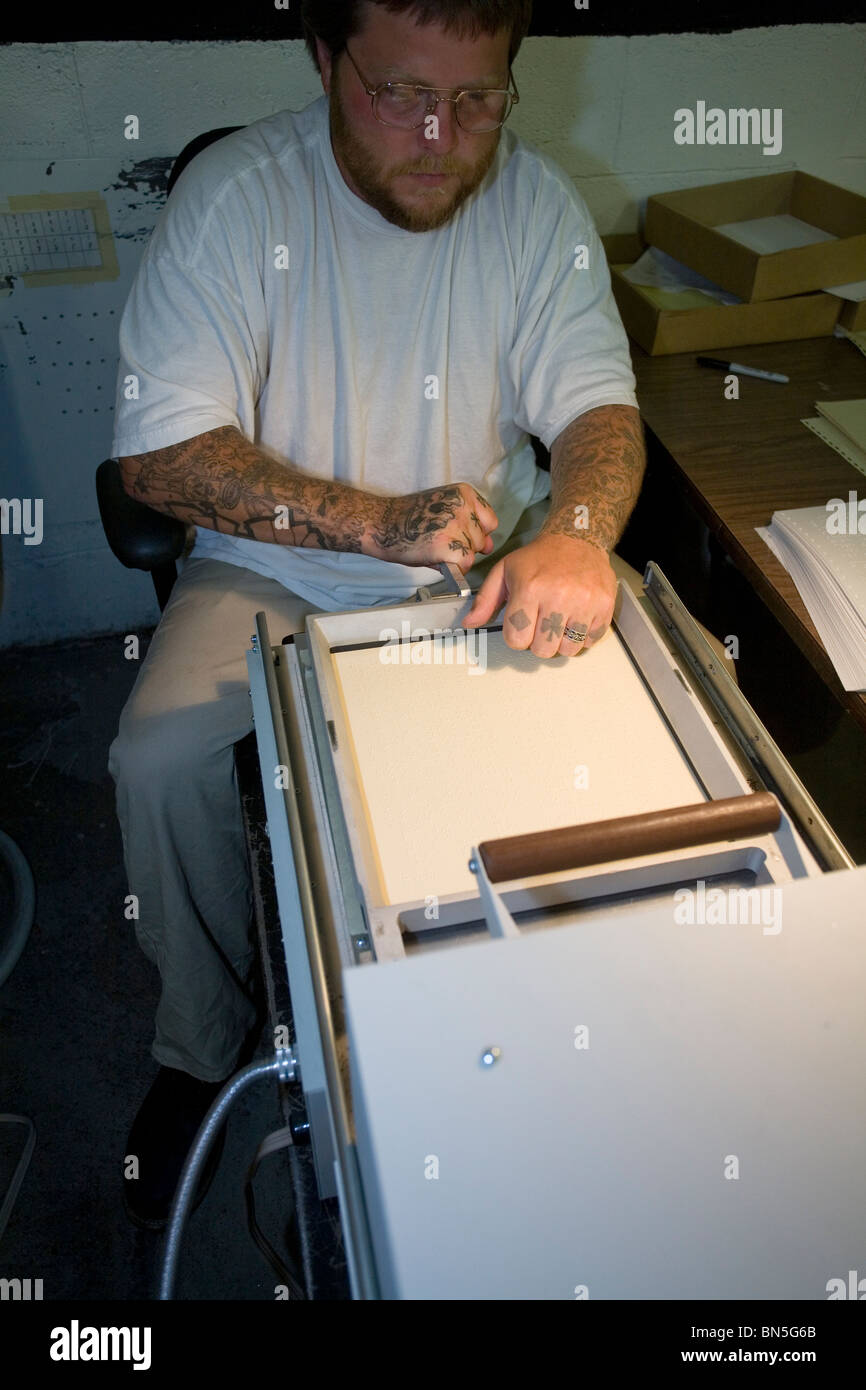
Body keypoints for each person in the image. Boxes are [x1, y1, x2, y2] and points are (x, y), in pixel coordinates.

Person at [109, 0, 645, 1228]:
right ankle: (199, 1046)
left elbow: (597, 417)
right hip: (273, 565)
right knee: (153, 759)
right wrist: (361, 520)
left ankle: (527, 1051)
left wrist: (571, 532)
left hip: (474, 567)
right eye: (397, 94)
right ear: (319, 58)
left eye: (476, 101)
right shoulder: (240, 200)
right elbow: (156, 461)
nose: (438, 136)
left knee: (589, 780)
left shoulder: (535, 205)